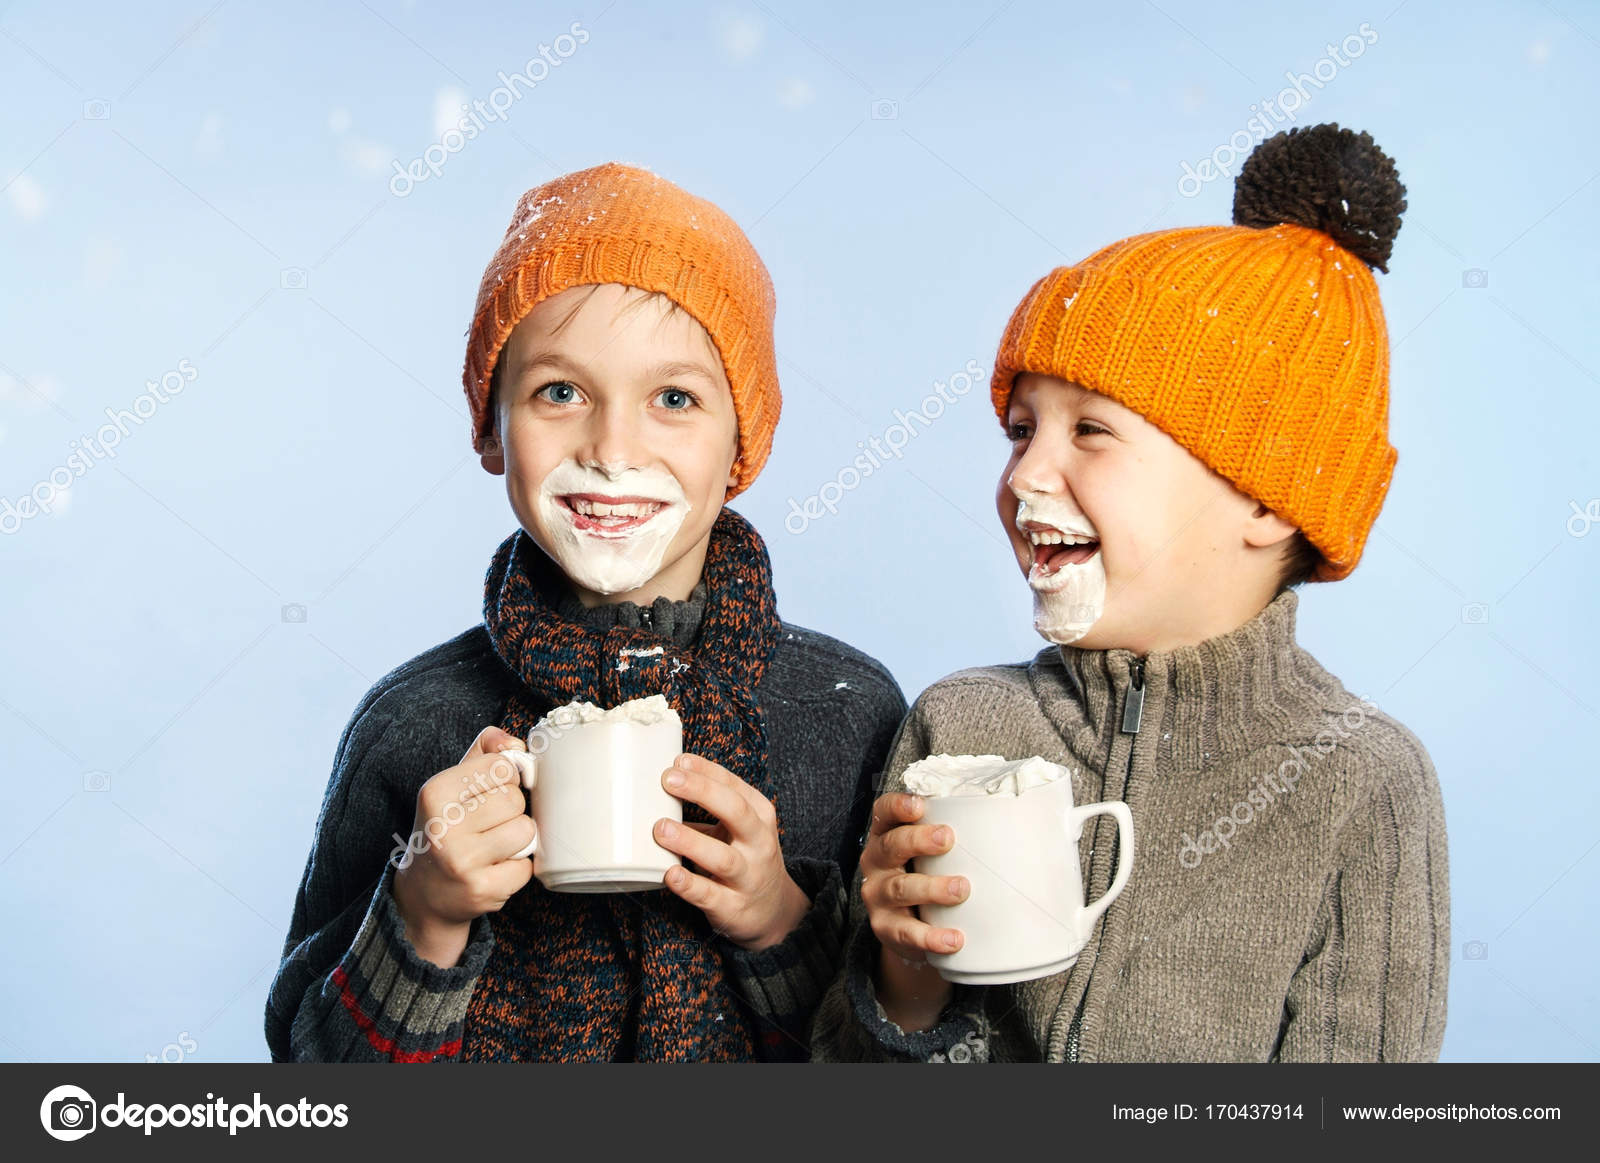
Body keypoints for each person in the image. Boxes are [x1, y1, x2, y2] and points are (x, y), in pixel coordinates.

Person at [809, 125, 1450, 1062]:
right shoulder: (959, 726)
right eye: (1021, 430)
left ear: (1268, 498)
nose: (1029, 475)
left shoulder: (1365, 785)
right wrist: (904, 985)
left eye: (1092, 432)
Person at [266, 163, 905, 1062]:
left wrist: (780, 923)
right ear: (490, 428)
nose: (611, 449)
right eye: (558, 393)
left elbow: (910, 1058)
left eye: (674, 399)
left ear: (743, 442)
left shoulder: (848, 714)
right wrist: (422, 915)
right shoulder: (414, 726)